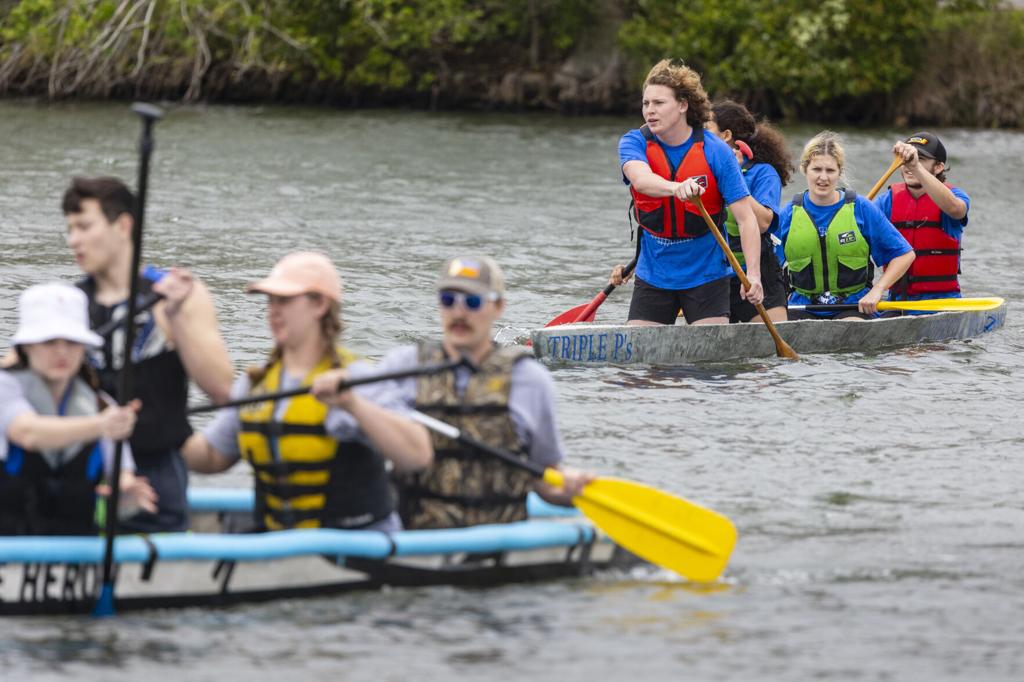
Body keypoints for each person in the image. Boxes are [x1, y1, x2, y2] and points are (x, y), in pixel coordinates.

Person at [181, 252, 432, 532]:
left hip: (355, 550)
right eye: (271, 301)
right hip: (281, 544)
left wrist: (353, 405)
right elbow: (213, 457)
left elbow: (417, 456)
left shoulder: (356, 378)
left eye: (285, 300)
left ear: (320, 305)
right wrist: (158, 433)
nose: (273, 311)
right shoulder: (255, 385)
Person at [361, 255, 592, 530]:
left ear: (498, 306)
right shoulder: (402, 367)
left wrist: (575, 489)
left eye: (472, 302)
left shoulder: (530, 381)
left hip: (497, 542)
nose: (459, 313)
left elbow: (545, 481)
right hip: (416, 534)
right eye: (448, 300)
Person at [62, 176, 233, 533]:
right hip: (85, 473)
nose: (72, 240)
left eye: (83, 226)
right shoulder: (69, 304)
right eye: (69, 229)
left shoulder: (176, 294)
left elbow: (221, 390)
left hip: (155, 477)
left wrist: (175, 319)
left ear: (123, 226)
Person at [609, 59, 764, 326]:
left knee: (708, 366)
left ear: (682, 105)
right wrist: (676, 187)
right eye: (646, 103)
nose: (650, 111)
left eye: (659, 103)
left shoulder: (717, 152)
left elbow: (746, 219)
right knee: (645, 367)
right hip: (654, 275)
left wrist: (754, 275)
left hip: (707, 276)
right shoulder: (634, 142)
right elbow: (642, 180)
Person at [0, 283, 157, 535]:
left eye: (72, 342)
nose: (62, 352)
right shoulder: (5, 389)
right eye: (49, 341)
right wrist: (101, 426)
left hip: (75, 552)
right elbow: (27, 433)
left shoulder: (100, 404)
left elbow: (122, 477)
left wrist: (126, 499)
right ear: (27, 346)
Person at [779, 132, 916, 320]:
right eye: (817, 169)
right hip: (802, 308)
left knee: (849, 327)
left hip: (853, 308)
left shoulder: (861, 209)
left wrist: (877, 290)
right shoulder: (788, 214)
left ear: (839, 172)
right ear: (805, 169)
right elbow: (769, 265)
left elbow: (905, 254)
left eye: (830, 171)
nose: (823, 177)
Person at [706, 99, 793, 323]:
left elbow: (763, 222)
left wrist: (734, 174)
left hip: (758, 274)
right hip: (715, 275)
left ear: (726, 135)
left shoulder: (764, 173)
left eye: (707, 129)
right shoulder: (703, 170)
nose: (700, 135)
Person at [872, 132, 970, 301]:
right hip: (897, 302)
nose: (908, 165)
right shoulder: (885, 202)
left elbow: (956, 210)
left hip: (943, 302)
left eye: (920, 159)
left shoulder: (955, 196)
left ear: (938, 167)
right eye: (906, 160)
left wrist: (915, 167)